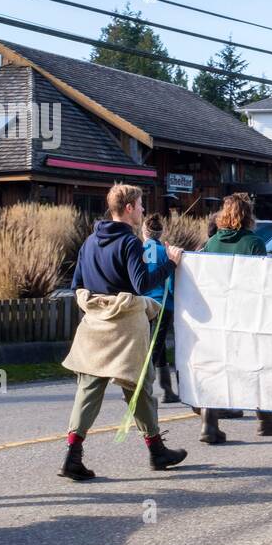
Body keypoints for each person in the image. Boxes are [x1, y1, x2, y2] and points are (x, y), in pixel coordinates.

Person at [62, 184, 185, 480]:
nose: (143, 211)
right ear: (129, 208)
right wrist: (171, 264)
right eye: (141, 205)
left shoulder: (89, 241)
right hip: (126, 327)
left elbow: (76, 283)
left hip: (95, 326)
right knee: (138, 388)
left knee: (89, 390)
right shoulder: (130, 243)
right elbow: (142, 284)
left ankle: (72, 455)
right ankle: (156, 451)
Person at [198, 193, 272, 444]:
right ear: (247, 215)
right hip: (246, 315)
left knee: (216, 367)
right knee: (256, 365)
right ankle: (265, 418)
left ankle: (209, 423)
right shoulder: (254, 243)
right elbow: (263, 284)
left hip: (215, 316)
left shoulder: (210, 244)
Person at [141, 214, 179, 404]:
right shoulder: (165, 252)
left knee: (157, 343)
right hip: (163, 303)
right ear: (161, 232)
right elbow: (171, 282)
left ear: (144, 231)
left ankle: (167, 389)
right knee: (156, 344)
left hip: (143, 302)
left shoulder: (138, 248)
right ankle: (144, 387)